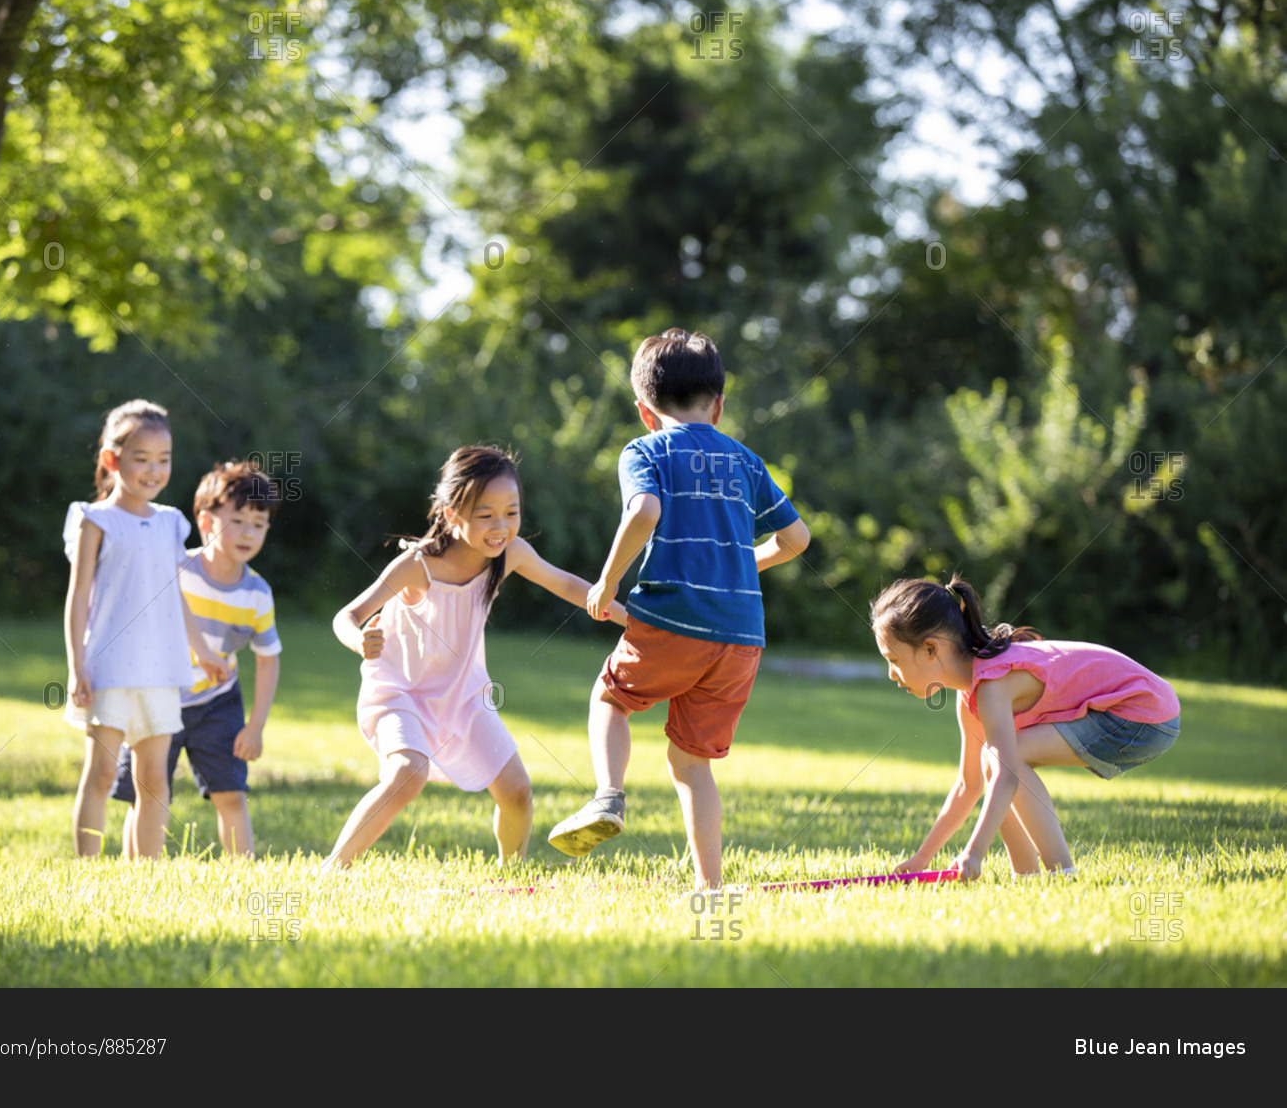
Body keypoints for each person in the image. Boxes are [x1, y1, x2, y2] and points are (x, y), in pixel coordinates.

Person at [548, 328, 811, 889]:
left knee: (611, 696)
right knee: (692, 763)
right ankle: (709, 888)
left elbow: (643, 512)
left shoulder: (646, 449)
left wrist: (606, 581)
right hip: (742, 636)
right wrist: (741, 568)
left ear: (645, 411)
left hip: (672, 620)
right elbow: (797, 541)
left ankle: (608, 797)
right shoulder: (745, 460)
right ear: (719, 404)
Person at [324, 445, 628, 869]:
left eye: (512, 512)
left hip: (463, 695)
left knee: (517, 791)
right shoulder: (418, 566)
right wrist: (359, 640)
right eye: (485, 515)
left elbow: (570, 586)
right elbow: (348, 615)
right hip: (400, 693)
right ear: (452, 514)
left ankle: (511, 875)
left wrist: (630, 620)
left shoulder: (510, 554)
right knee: (406, 775)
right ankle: (334, 869)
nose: (500, 527)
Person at [869, 574, 1181, 879]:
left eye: (894, 659)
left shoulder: (993, 685)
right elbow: (968, 785)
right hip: (1141, 712)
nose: (891, 674)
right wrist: (922, 858)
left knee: (1003, 758)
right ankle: (1027, 876)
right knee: (994, 760)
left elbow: (1006, 774)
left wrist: (973, 853)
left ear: (931, 649)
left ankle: (1063, 873)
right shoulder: (971, 695)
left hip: (1143, 714)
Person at [64, 400, 227, 860]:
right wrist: (77, 666)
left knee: (154, 778)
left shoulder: (171, 522)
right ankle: (88, 871)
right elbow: (78, 598)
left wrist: (204, 653)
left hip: (161, 668)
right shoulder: (95, 520)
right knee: (99, 774)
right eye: (142, 459)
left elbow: (174, 596)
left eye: (164, 459)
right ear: (112, 461)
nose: (154, 470)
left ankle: (146, 873)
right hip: (110, 668)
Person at [110, 461, 283, 859]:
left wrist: (255, 727)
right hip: (158, 695)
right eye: (237, 520)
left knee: (231, 793)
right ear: (205, 521)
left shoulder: (257, 593)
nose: (248, 532)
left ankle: (244, 871)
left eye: (258, 524)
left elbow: (268, 659)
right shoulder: (177, 569)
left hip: (217, 703)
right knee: (146, 791)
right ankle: (136, 875)